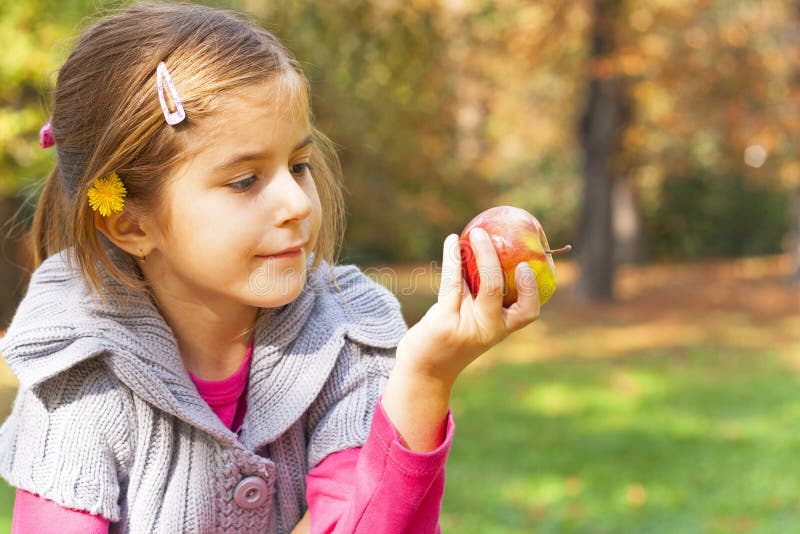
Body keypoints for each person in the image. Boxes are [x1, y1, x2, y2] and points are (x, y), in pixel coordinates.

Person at [0, 2, 541, 533]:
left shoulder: (344, 336)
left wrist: (425, 377)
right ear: (132, 225)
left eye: (299, 165)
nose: (298, 203)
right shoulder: (78, 379)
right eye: (244, 180)